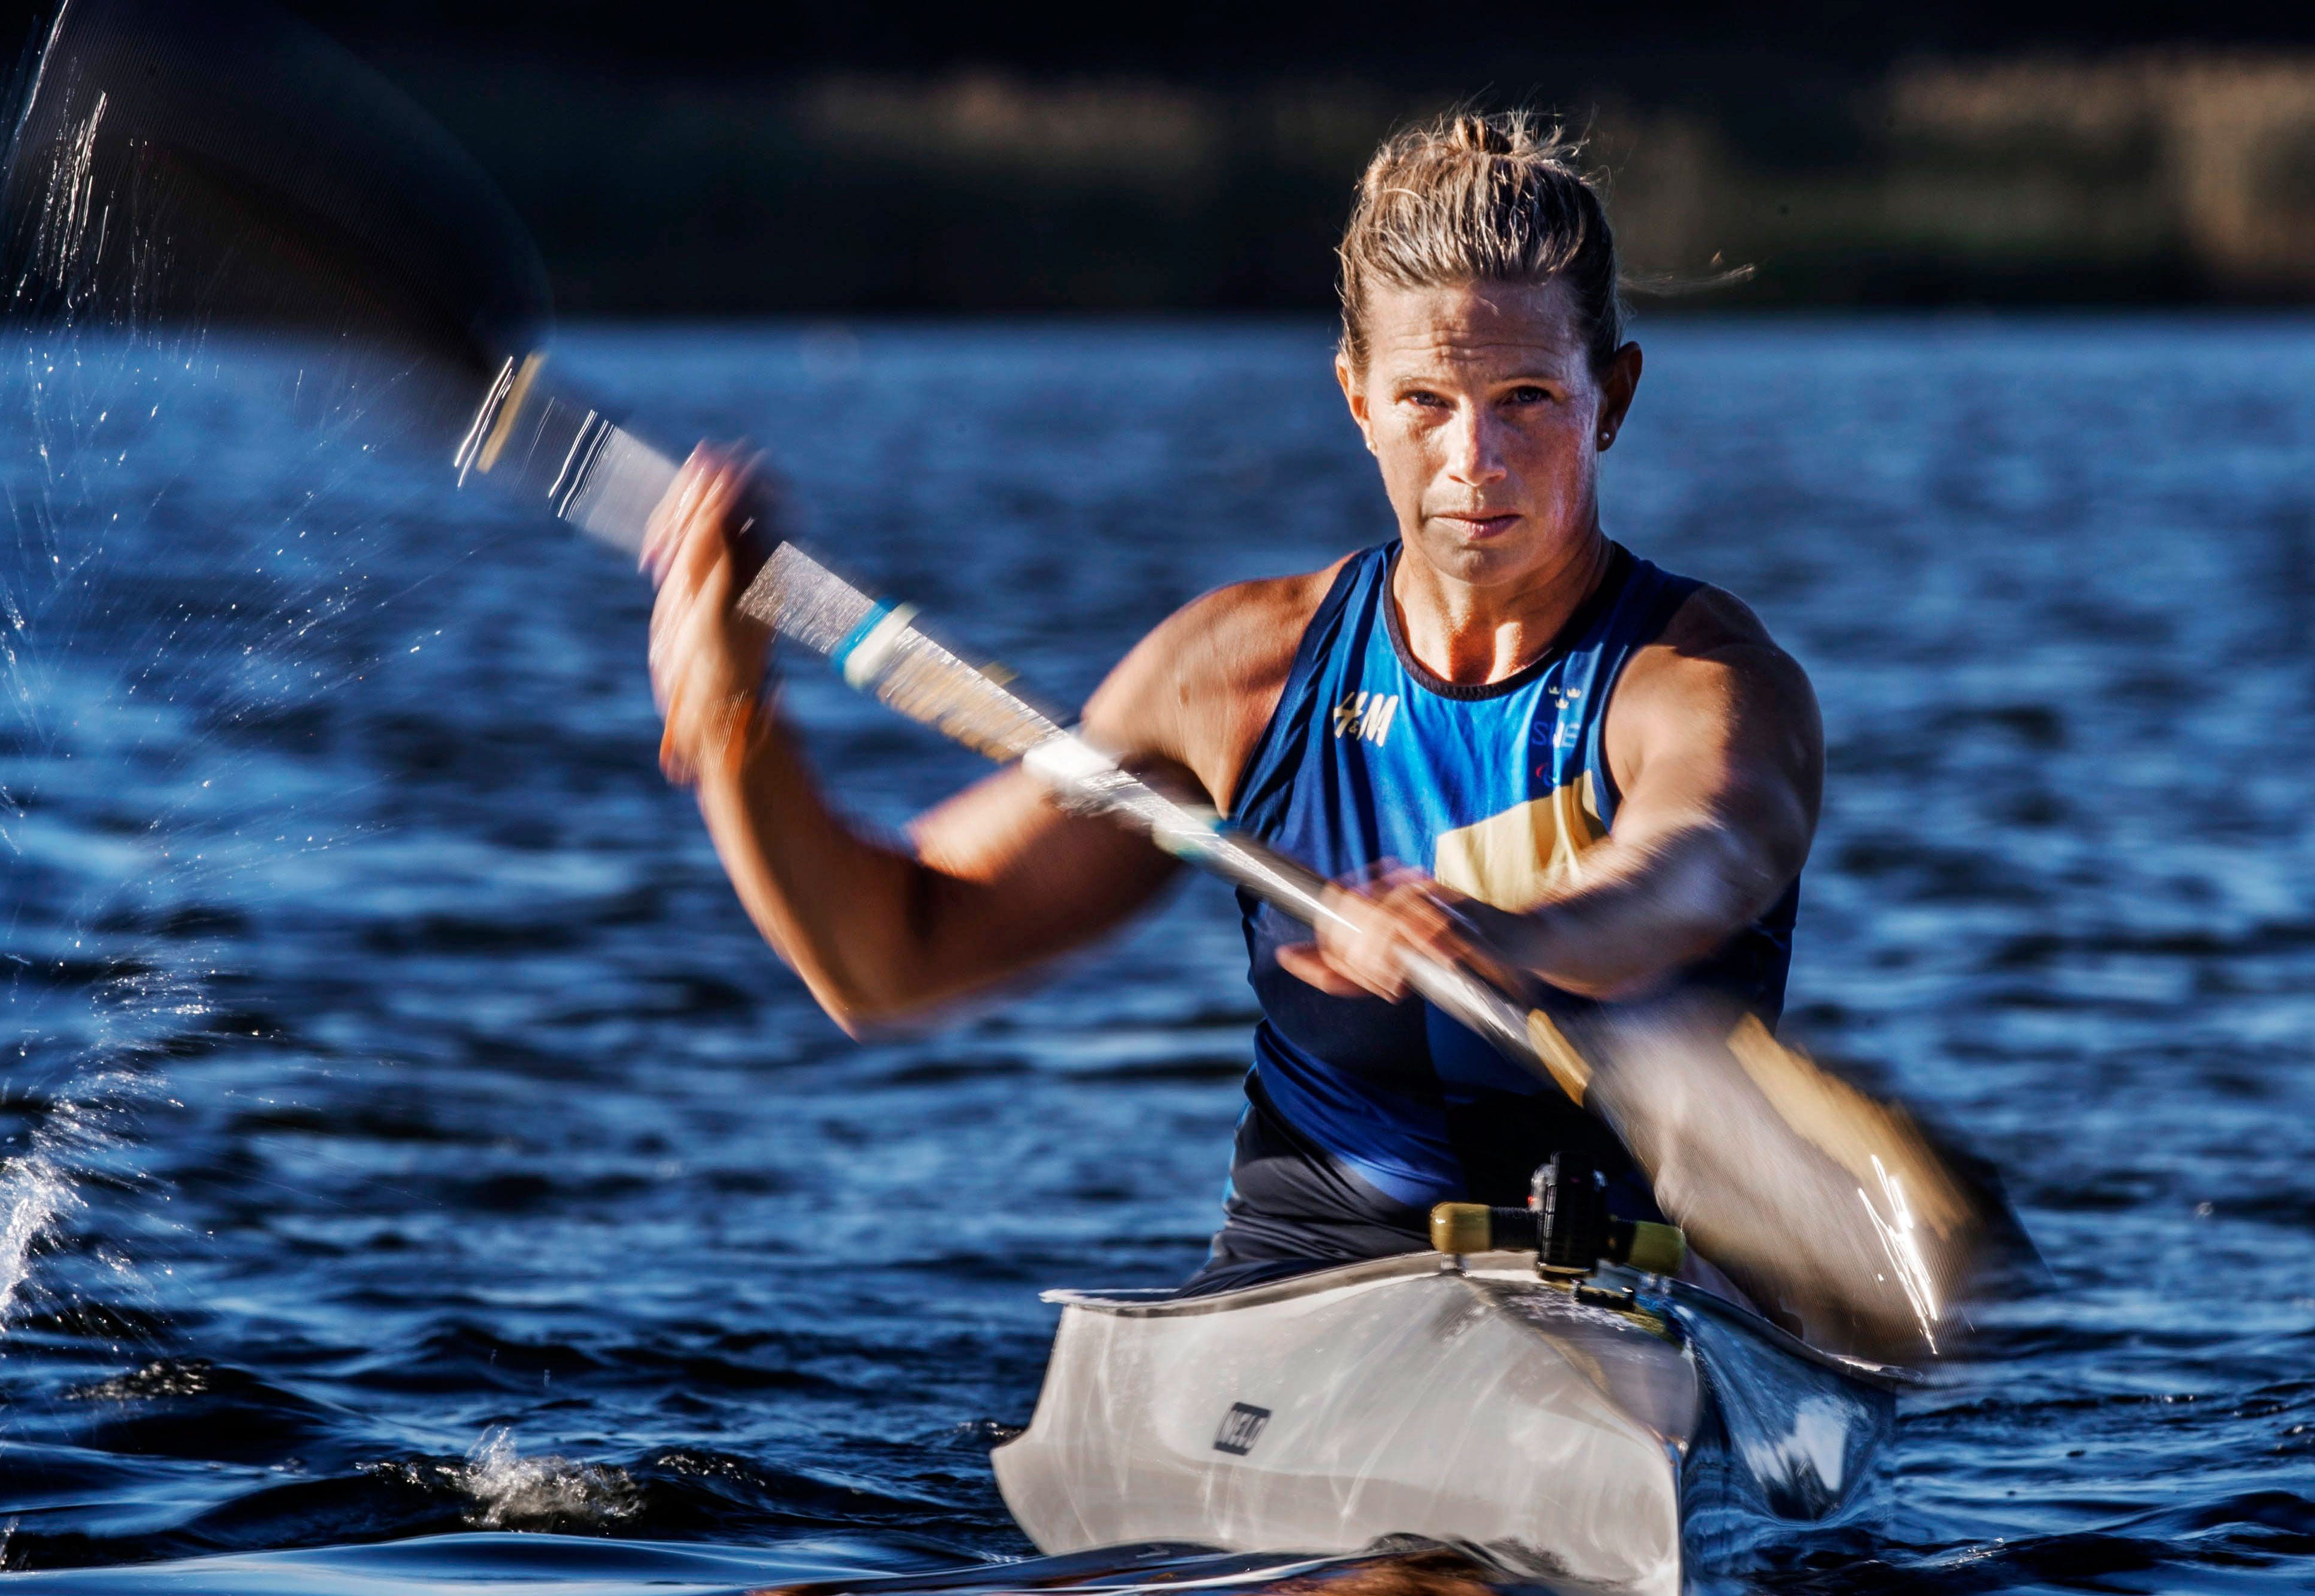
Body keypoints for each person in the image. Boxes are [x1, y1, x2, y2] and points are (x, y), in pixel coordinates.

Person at [641, 111, 1819, 1294]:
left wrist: (1514, 934)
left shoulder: (1702, 684)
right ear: (1356, 400)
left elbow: (1694, 863)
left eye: (1525, 397)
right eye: (1425, 401)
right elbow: (890, 957)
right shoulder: (1235, 674)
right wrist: (737, 728)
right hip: (1298, 1300)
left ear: (1609, 397)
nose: (1476, 459)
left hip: (1632, 1301)